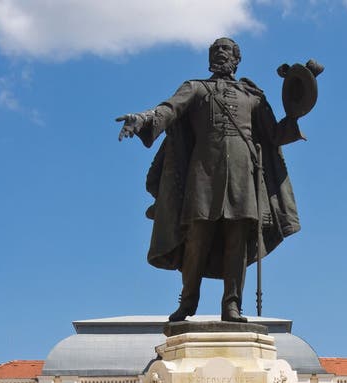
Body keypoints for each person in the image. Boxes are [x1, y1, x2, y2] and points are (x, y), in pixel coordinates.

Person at [116, 37, 303, 323]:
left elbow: (275, 135)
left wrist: (295, 111)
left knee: (237, 241)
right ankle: (187, 303)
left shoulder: (253, 96)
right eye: (215, 51)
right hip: (202, 174)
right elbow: (169, 109)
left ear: (236, 59)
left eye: (225, 50)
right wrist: (143, 119)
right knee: (196, 240)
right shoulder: (195, 88)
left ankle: (232, 306)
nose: (219, 54)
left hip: (243, 174)